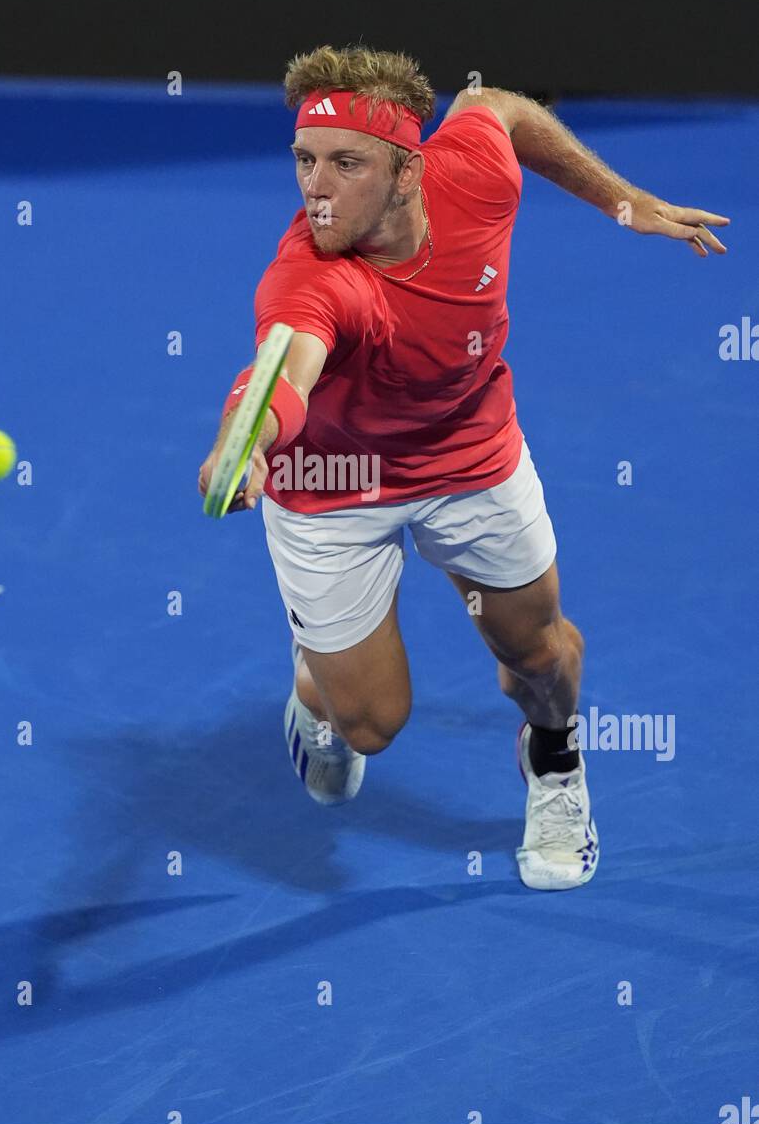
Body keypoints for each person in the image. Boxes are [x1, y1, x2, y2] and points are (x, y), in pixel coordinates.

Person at [198, 45, 729, 890]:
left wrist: (623, 203)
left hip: (468, 452)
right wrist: (251, 434)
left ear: (410, 169)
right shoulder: (312, 278)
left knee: (540, 654)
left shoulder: (475, 170)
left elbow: (507, 109)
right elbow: (286, 363)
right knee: (371, 726)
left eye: (346, 163)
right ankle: (315, 679)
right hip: (333, 486)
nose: (315, 187)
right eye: (304, 160)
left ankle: (553, 762)